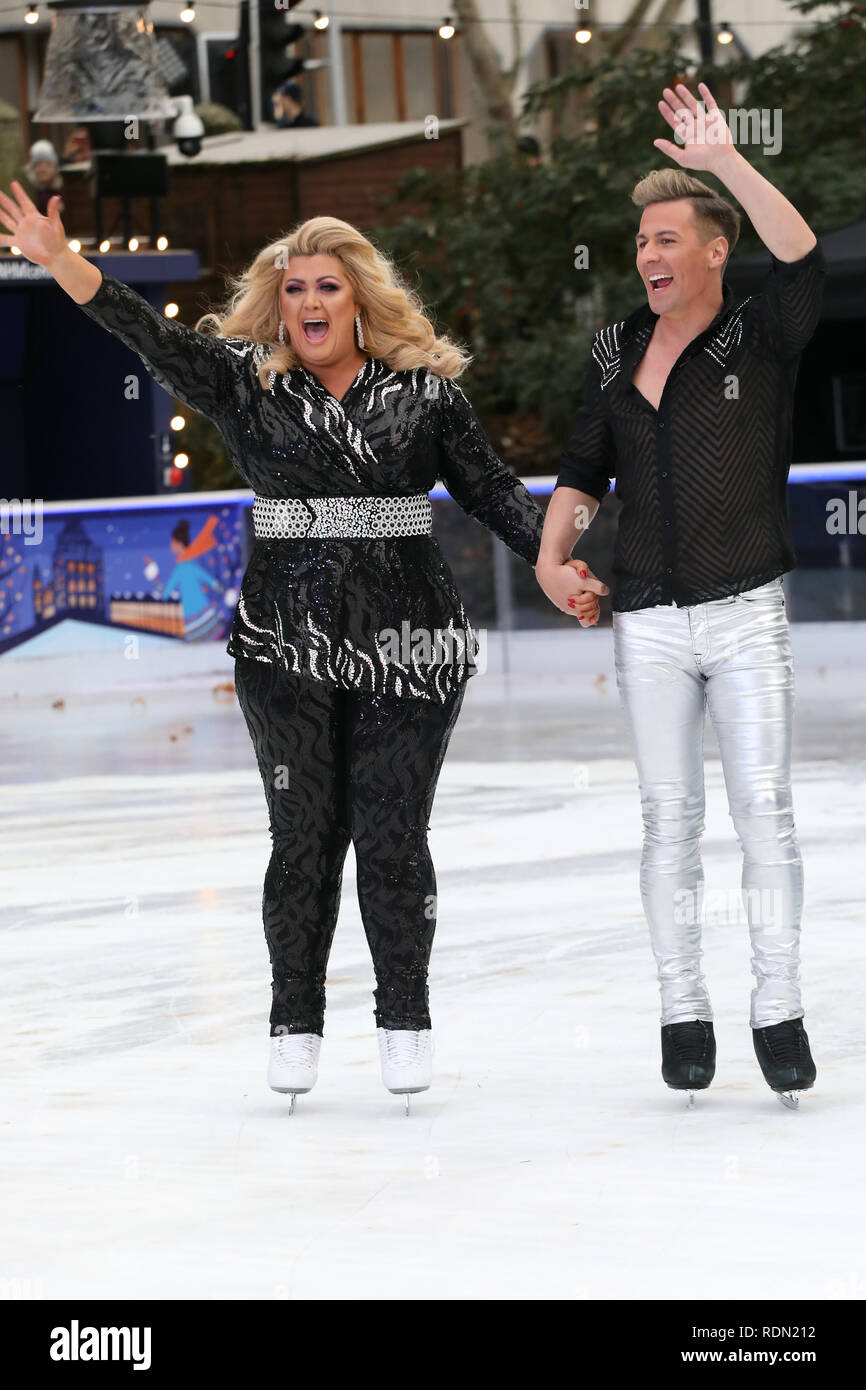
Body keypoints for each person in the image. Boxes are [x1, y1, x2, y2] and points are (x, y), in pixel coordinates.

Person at [0, 181, 592, 1106]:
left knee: (394, 836)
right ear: (278, 302)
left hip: (410, 642)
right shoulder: (244, 382)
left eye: (326, 287)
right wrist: (60, 260)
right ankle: (294, 1021)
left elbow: (489, 491)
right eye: (293, 288)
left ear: (359, 298)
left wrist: (552, 562)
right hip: (285, 644)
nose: (308, 303)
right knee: (302, 838)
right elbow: (147, 336)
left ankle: (404, 1017)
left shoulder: (425, 394)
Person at [536, 81, 825, 1108]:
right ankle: (681, 1008)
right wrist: (547, 553)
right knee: (666, 821)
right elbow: (579, 468)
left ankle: (778, 1006)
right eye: (638, 243)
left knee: (764, 817)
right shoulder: (613, 349)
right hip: (647, 619)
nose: (648, 255)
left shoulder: (759, 335)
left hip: (745, 612)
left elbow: (802, 259)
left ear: (711, 245)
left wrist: (727, 162)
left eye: (667, 236)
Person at [25, 140, 62, 216]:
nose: (42, 169)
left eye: (47, 164)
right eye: (38, 165)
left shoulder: (64, 188)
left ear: (54, 166)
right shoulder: (31, 192)